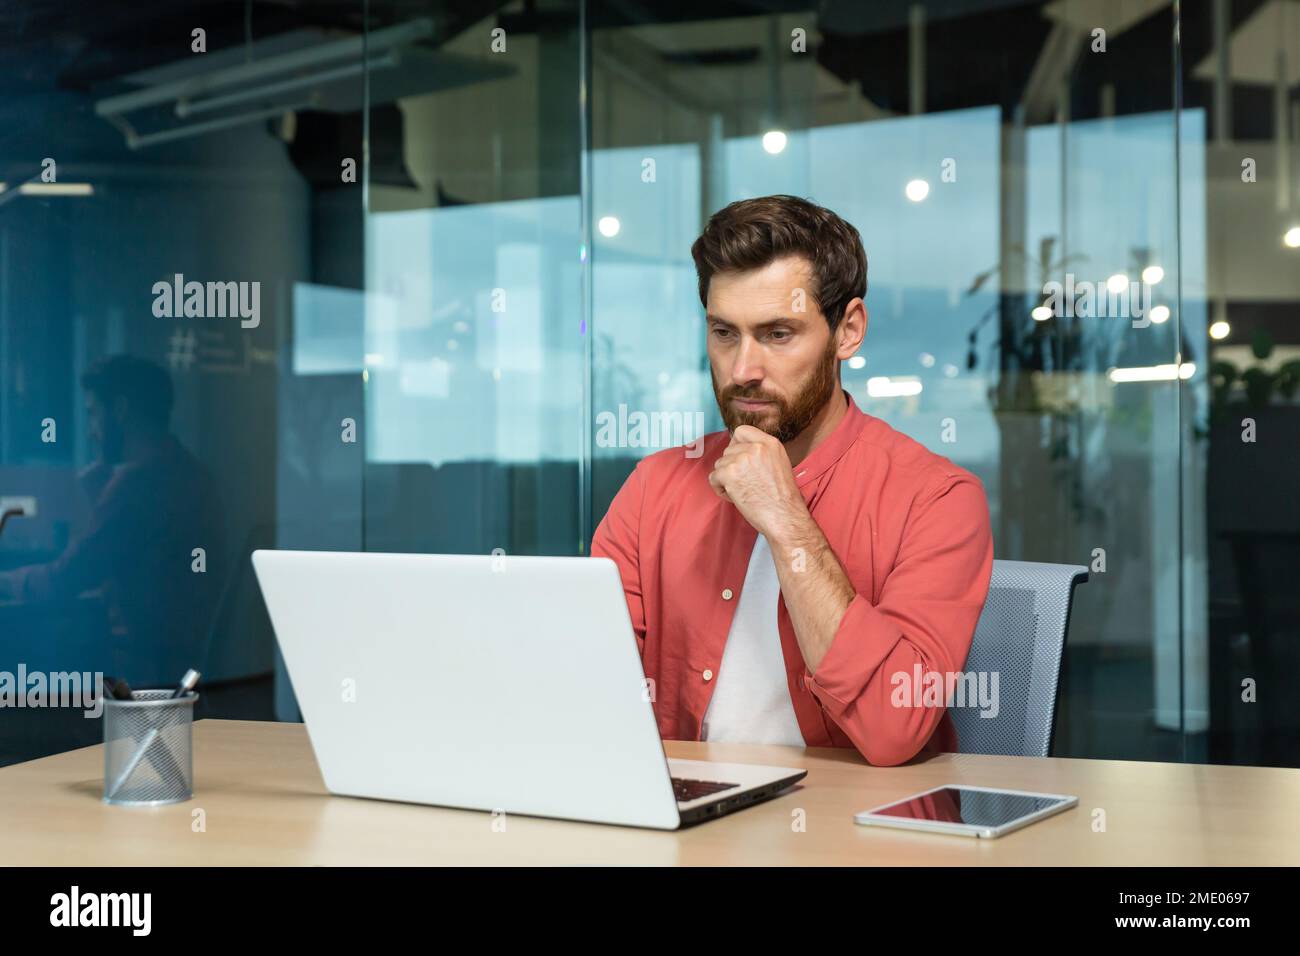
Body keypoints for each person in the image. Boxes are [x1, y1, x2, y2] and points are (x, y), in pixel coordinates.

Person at [591, 195, 993, 766]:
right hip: (690, 832)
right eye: (725, 333)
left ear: (848, 331)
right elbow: (586, 692)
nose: (742, 370)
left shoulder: (938, 500)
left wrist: (785, 520)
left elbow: (892, 727)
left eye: (778, 333)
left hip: (859, 840)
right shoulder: (654, 486)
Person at [0, 355, 226, 683]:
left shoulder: (137, 487)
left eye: (93, 414)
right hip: (177, 667)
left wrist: (5, 581)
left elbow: (67, 577)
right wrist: (101, 492)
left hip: (137, 678)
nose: (91, 431)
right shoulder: (190, 473)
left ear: (119, 410)